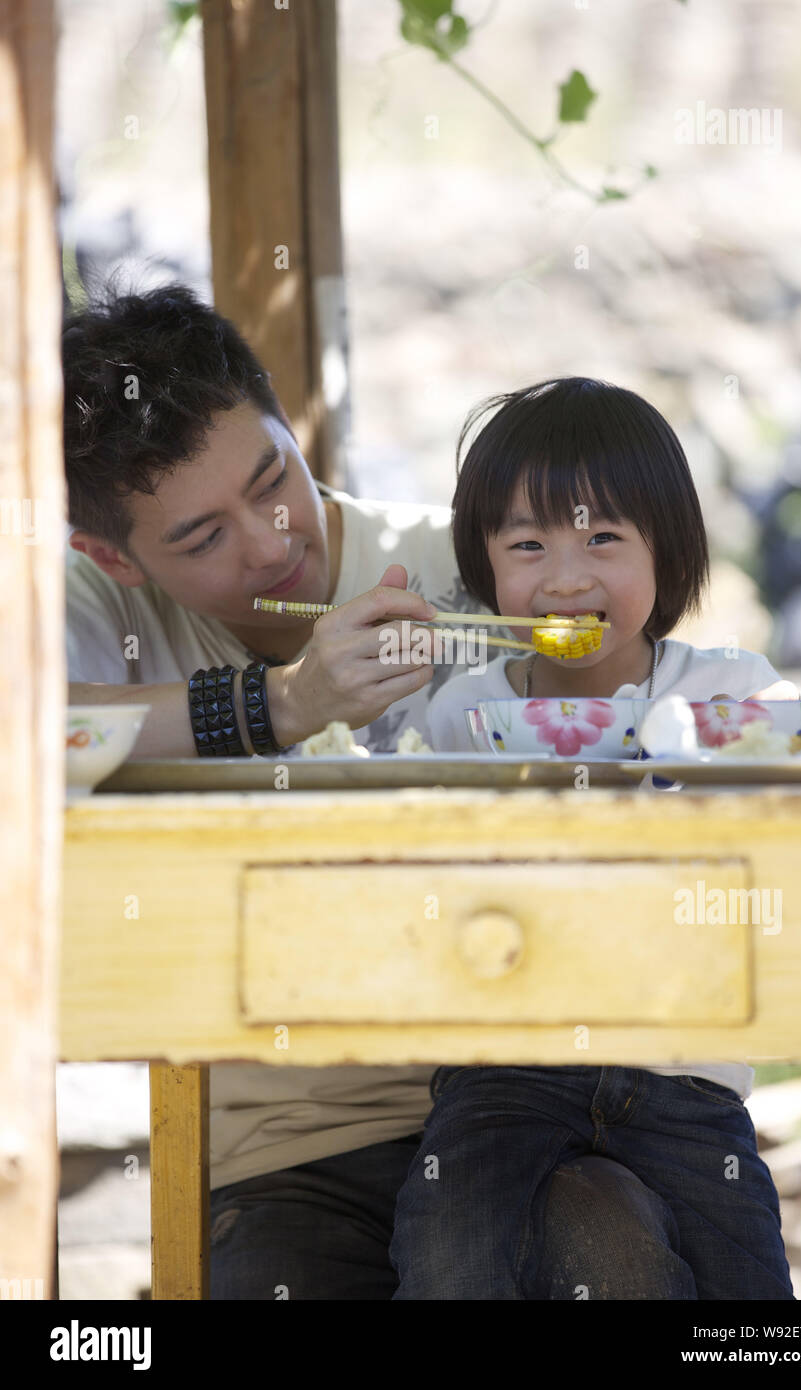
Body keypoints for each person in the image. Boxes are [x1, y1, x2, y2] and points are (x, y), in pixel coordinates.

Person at [62, 281, 486, 1298]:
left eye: (272, 478)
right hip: (286, 1146)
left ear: (289, 425)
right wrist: (275, 706)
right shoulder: (93, 609)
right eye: (201, 539)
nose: (268, 540)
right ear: (112, 557)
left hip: (523, 1095)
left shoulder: (463, 560)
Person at [403, 377, 797, 1298]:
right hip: (506, 1069)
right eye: (529, 543)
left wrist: (739, 745)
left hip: (685, 1072)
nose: (567, 577)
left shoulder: (723, 684)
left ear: (672, 552)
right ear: (486, 564)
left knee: (751, 1288)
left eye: (605, 539)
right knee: (446, 1247)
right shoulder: (465, 709)